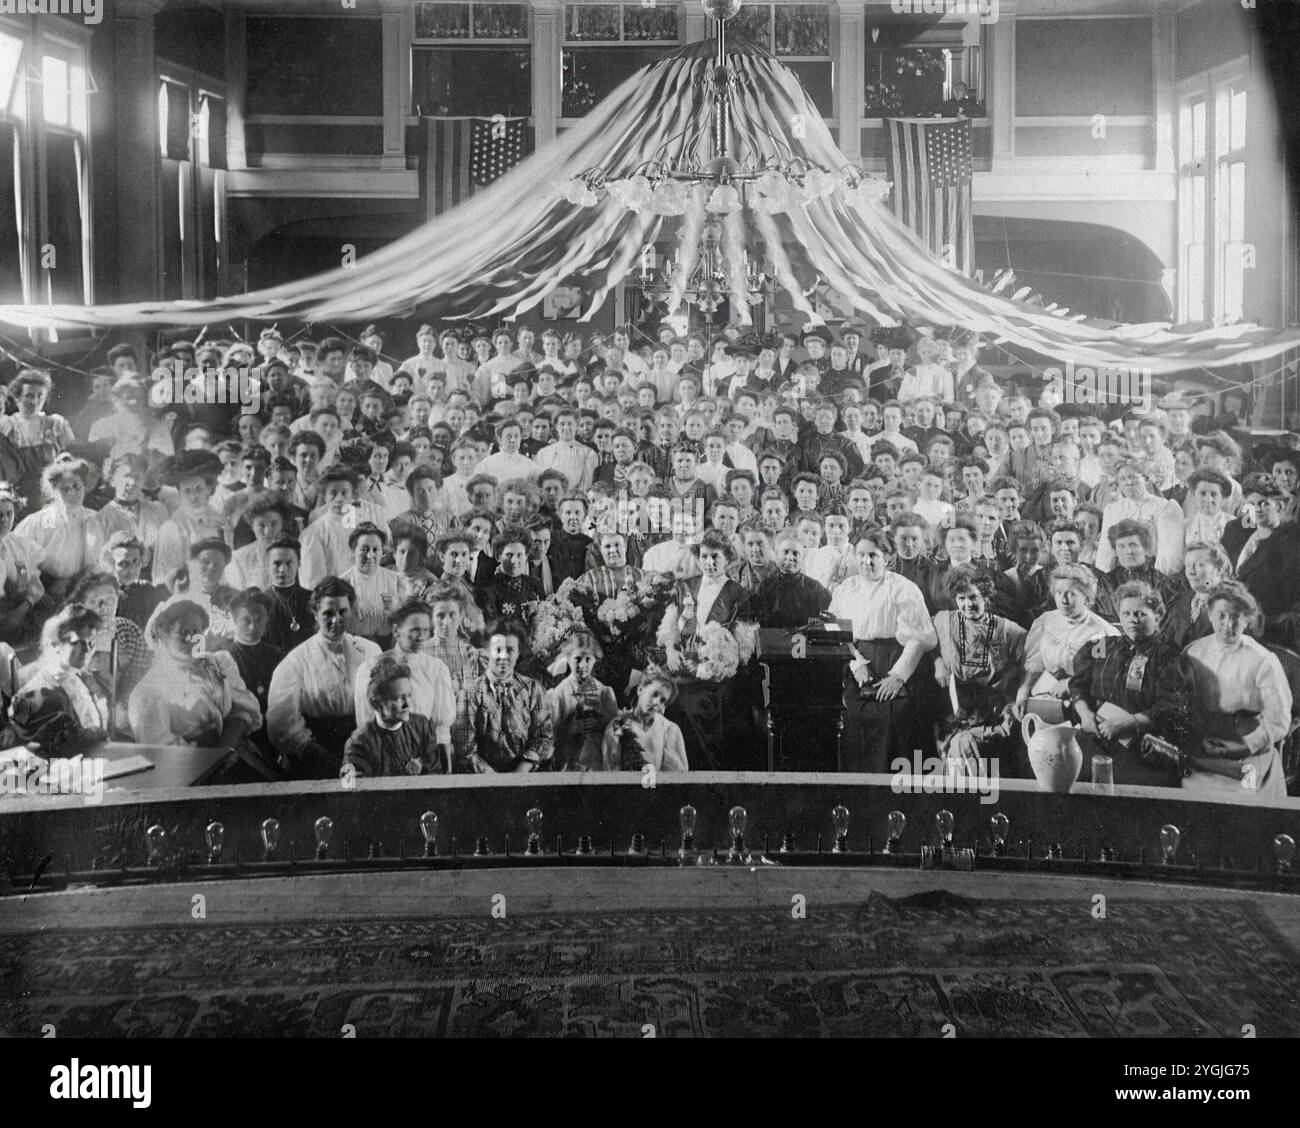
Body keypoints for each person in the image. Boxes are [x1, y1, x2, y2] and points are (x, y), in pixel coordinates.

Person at [830, 528, 938, 771]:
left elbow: (919, 638)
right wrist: (856, 664)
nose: (867, 562)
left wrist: (897, 677)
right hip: (857, 664)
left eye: (873, 555)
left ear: (887, 557)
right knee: (850, 716)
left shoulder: (903, 588)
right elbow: (836, 633)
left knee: (893, 716)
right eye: (861, 555)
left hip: (896, 662)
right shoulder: (846, 588)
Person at [1068, 582, 1195, 787]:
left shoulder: (1168, 657)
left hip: (1141, 746)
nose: (1132, 620)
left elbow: (1174, 706)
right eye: (1126, 614)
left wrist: (1131, 723)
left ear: (1157, 616)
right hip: (1095, 736)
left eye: (1140, 614)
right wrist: (1084, 714)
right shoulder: (1102, 646)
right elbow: (1078, 683)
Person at [1183, 581, 1293, 799]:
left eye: (1236, 617)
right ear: (1210, 614)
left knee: (1240, 800)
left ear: (1247, 619)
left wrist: (1245, 745)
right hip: (1206, 746)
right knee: (1191, 793)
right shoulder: (1193, 652)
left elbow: (1278, 720)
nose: (1228, 625)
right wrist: (1197, 738)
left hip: (1251, 750)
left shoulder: (1262, 660)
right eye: (1221, 616)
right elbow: (1183, 704)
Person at [267, 577, 383, 779]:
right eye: (328, 613)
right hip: (319, 753)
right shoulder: (296, 661)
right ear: (315, 614)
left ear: (352, 610)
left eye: (342, 612)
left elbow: (383, 700)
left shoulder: (370, 651)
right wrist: (316, 753)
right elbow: (280, 722)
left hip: (366, 747)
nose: (336, 620)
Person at [129, 599, 262, 752]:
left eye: (196, 631)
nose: (192, 639)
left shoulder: (217, 662)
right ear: (164, 636)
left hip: (232, 752)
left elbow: (244, 710)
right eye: (183, 632)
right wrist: (212, 758)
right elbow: (160, 749)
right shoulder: (151, 688)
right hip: (188, 766)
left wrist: (226, 748)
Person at [932, 566, 1027, 765]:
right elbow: (923, 638)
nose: (968, 604)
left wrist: (1010, 673)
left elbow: (1030, 658)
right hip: (953, 707)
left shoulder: (1007, 629)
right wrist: (938, 662)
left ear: (985, 596)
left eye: (974, 597)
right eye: (961, 598)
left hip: (991, 708)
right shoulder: (943, 622)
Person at [2, 604, 109, 756]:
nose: (87, 650)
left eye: (91, 643)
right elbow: (65, 745)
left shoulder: (84, 679)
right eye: (78, 642)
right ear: (56, 645)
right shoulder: (37, 694)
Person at [1013, 564, 1117, 716]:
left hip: (1084, 705)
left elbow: (1099, 676)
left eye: (1071, 594)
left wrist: (1070, 684)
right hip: (1044, 698)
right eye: (1059, 592)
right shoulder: (1045, 622)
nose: (1063, 599)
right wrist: (1023, 693)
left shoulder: (1100, 633)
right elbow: (1034, 664)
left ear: (1086, 597)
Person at [353, 599, 456, 747]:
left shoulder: (436, 669)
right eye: (415, 630)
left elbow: (441, 731)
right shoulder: (370, 667)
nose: (421, 637)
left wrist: (446, 769)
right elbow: (365, 725)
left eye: (425, 630)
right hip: (383, 752)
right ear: (396, 630)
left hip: (425, 755)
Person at [457, 619, 554, 773]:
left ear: (518, 652)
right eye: (497, 649)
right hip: (484, 778)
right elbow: (466, 749)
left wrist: (521, 771)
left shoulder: (532, 689)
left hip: (525, 774)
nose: (503, 656)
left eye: (510, 650)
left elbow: (543, 736)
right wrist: (493, 777)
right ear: (487, 651)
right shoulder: (470, 694)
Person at [342, 656, 450, 778]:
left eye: (409, 695)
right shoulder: (359, 743)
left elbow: (434, 775)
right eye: (398, 698)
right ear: (376, 703)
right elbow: (354, 791)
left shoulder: (423, 727)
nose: (408, 705)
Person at [547, 630, 619, 771]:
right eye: (577, 659)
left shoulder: (603, 691)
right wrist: (570, 729)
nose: (582, 665)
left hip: (597, 756)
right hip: (569, 756)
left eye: (588, 660)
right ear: (568, 659)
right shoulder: (560, 693)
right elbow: (552, 732)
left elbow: (614, 726)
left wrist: (600, 723)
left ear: (595, 661)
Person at [601, 673, 689, 772]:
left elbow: (675, 775)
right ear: (640, 689)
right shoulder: (618, 724)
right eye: (654, 694)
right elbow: (612, 769)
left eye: (662, 700)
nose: (656, 702)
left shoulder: (669, 729)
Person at [750, 532, 832, 628]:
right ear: (777, 553)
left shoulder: (815, 588)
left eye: (795, 553)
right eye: (785, 552)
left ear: (803, 556)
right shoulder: (765, 587)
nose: (790, 557)